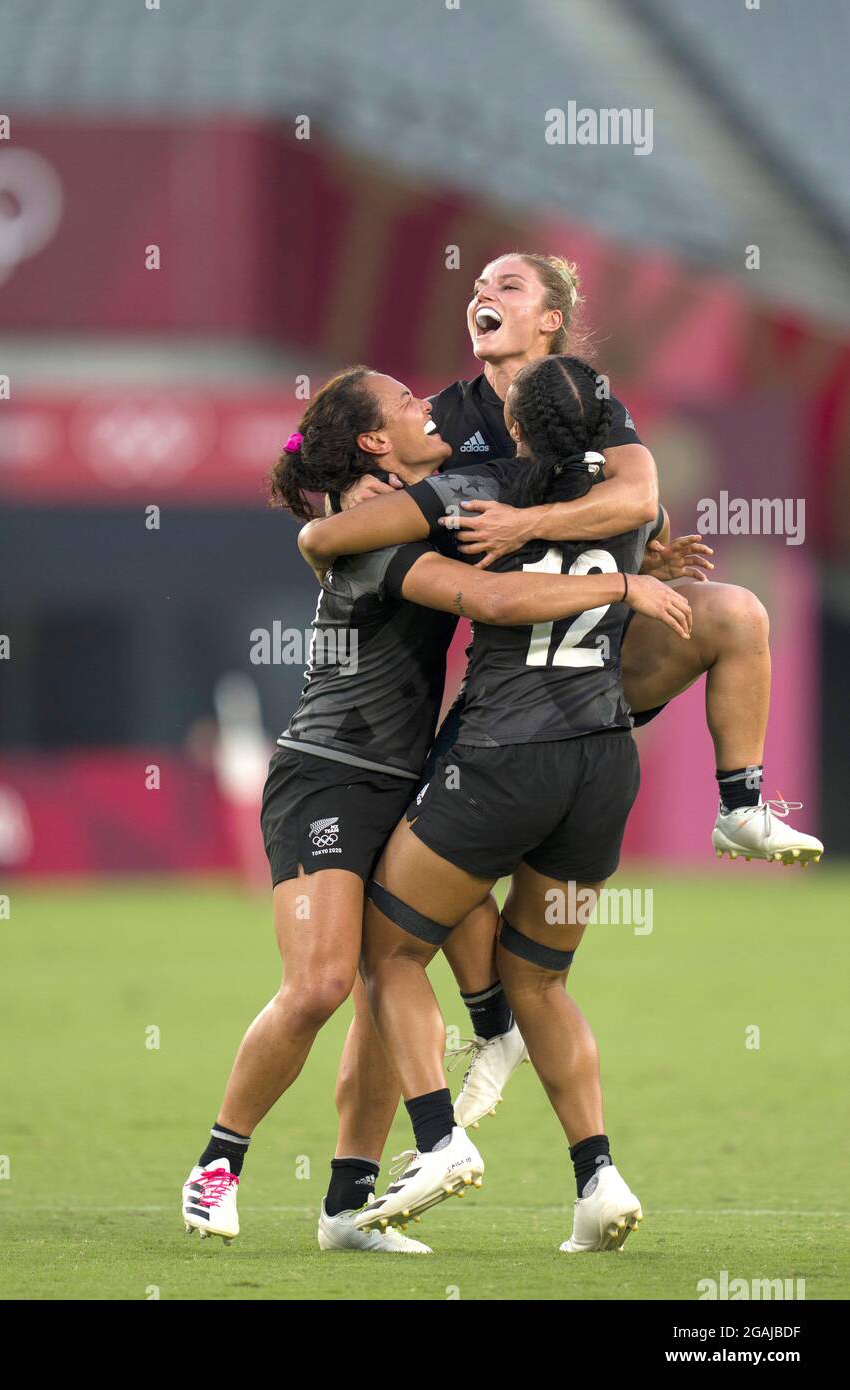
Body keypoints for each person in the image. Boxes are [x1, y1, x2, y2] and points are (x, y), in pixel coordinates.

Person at [180, 366, 688, 1250]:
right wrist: (620, 587)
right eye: (408, 403)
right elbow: (489, 596)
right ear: (376, 442)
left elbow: (537, 540)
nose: (429, 406)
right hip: (330, 776)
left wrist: (624, 552)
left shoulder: (423, 503)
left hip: (411, 773)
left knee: (389, 980)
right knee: (324, 983)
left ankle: (347, 1204)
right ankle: (217, 1167)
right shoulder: (373, 538)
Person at [335, 354, 666, 1250]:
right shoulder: (632, 508)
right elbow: (637, 509)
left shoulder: (479, 489)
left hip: (501, 757)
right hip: (602, 766)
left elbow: (366, 532)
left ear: (513, 428)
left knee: (389, 947)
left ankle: (439, 1140)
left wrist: (330, 509)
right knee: (545, 982)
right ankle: (596, 1179)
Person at [345, 251, 822, 871]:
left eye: (507, 286)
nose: (482, 295)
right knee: (437, 901)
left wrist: (531, 526)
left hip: (589, 665)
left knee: (736, 611)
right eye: (478, 286)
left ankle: (741, 807)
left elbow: (640, 497)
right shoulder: (443, 416)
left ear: (550, 318)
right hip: (500, 687)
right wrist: (344, 490)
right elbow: (329, 453)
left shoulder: (583, 399)